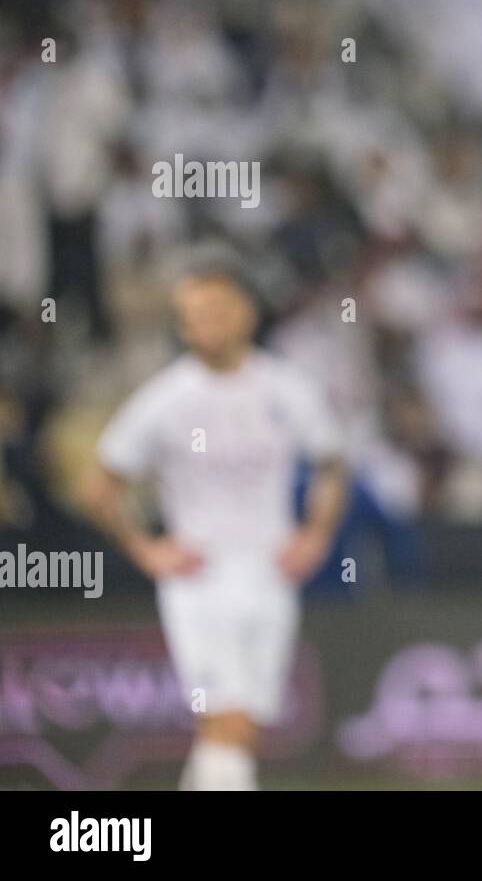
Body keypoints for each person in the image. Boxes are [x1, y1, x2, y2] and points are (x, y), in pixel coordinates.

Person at [85, 249, 348, 790]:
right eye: (194, 313)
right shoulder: (165, 400)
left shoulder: (285, 388)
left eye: (216, 309)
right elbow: (101, 485)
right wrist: (147, 549)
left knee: (240, 725)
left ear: (246, 312)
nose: (204, 323)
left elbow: (332, 463)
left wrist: (315, 535)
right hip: (199, 578)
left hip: (270, 573)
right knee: (226, 716)